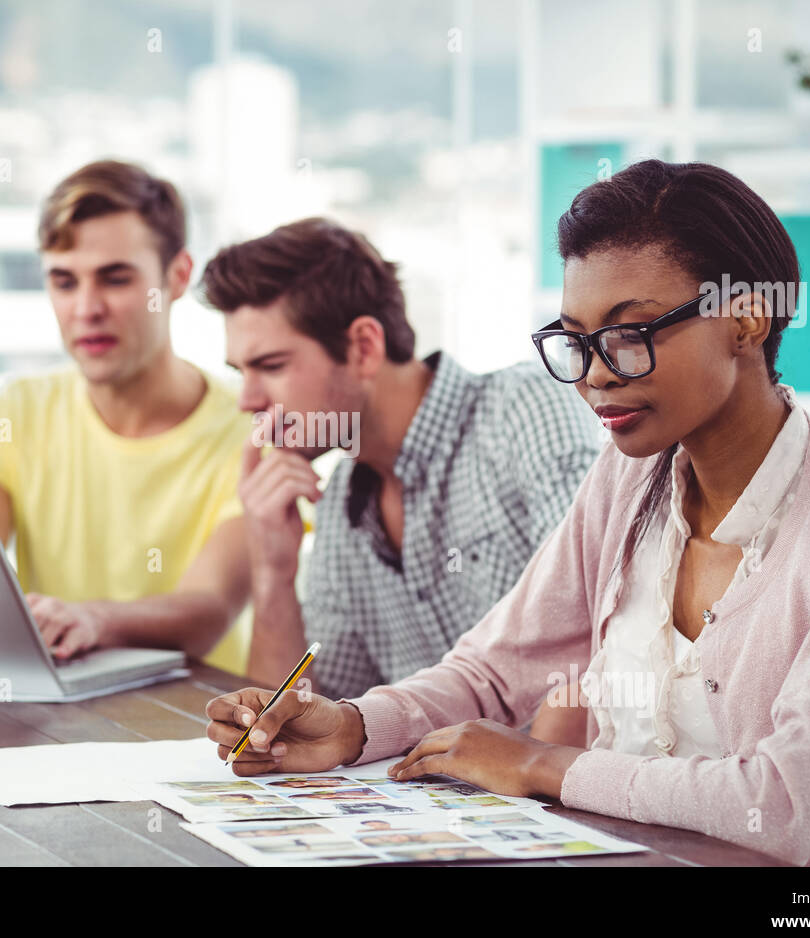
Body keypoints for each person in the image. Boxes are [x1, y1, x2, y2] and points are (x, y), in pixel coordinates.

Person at [204, 159, 810, 866]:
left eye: (629, 334)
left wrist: (543, 765)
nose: (594, 375)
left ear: (746, 321)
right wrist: (353, 725)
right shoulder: (630, 480)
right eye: (575, 340)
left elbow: (795, 803)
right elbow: (495, 670)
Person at [201, 217, 601, 695]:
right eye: (239, 371)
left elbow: (592, 634)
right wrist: (272, 572)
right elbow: (291, 725)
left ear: (364, 347)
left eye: (270, 366)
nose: (247, 400)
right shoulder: (339, 512)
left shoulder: (523, 413)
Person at [0, 160, 252, 672]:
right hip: (47, 719)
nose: (87, 309)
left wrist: (94, 619)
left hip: (200, 725)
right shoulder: (4, 418)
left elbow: (211, 609)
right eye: (64, 282)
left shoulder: (251, 429)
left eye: (115, 279)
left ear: (178, 277)